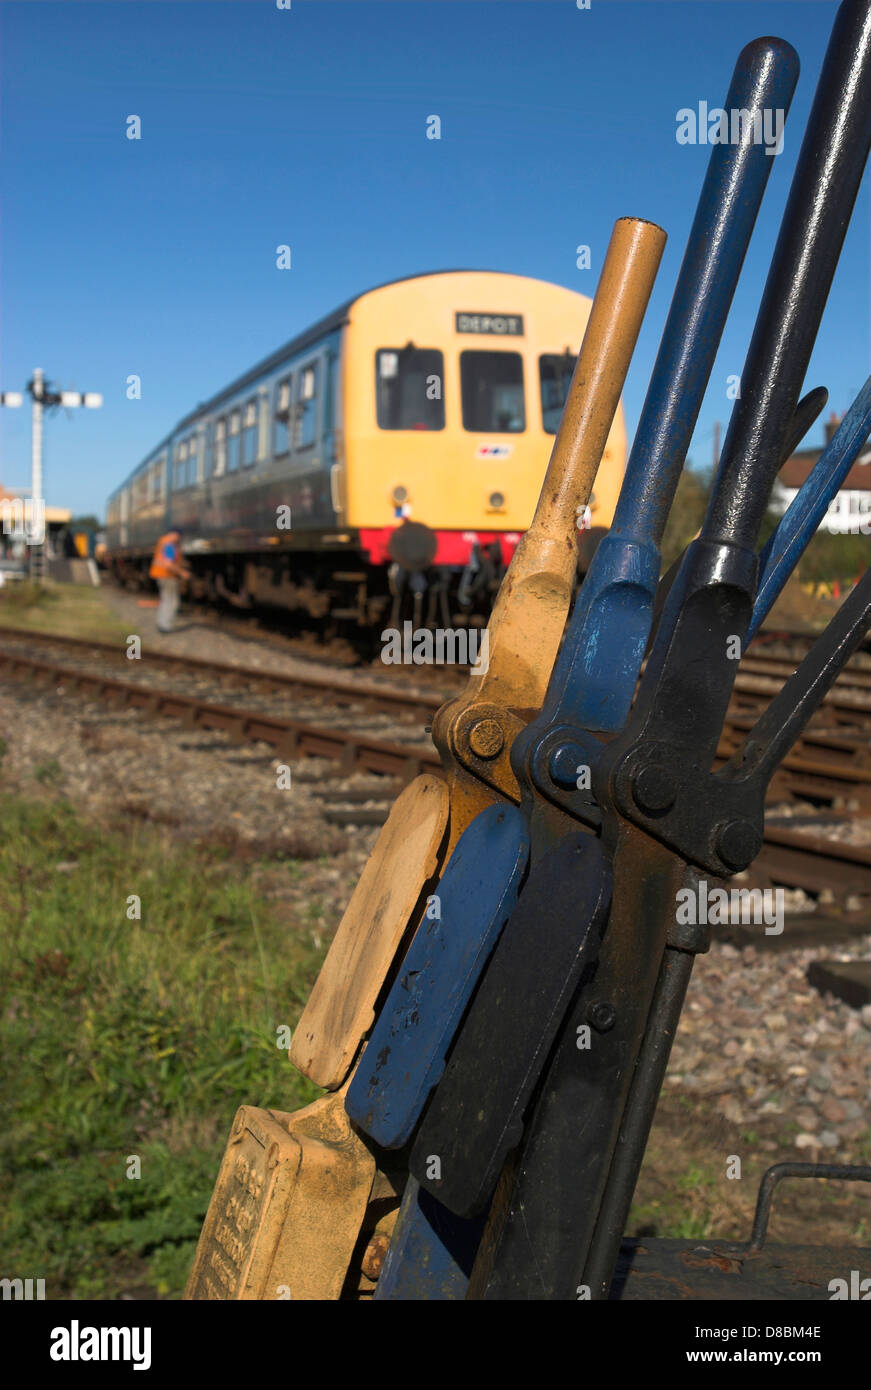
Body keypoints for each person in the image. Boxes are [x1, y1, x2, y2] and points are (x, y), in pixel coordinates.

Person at [149, 527, 191, 633]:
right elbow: (168, 564)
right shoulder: (170, 545)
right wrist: (182, 573)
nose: (179, 539)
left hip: (161, 575)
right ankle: (165, 626)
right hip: (167, 576)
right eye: (179, 537)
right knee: (172, 602)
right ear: (176, 535)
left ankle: (161, 623)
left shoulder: (163, 542)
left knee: (165, 600)